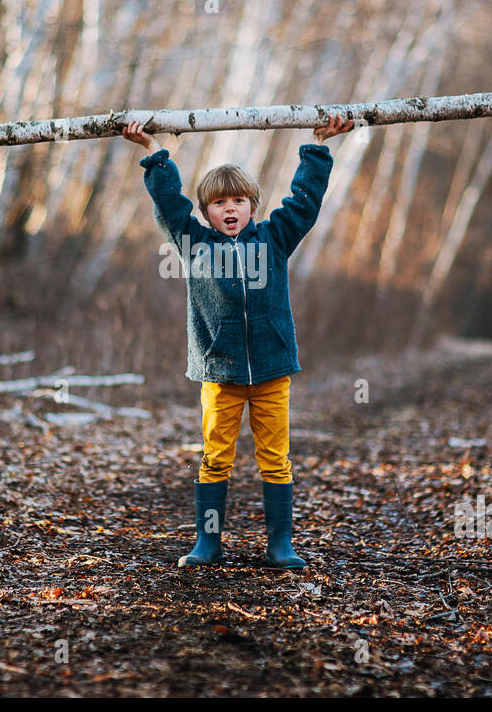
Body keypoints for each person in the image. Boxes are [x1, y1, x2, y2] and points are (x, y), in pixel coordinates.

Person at [124, 111, 352, 568]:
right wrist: (153, 154)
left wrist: (320, 146)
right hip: (218, 373)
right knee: (214, 458)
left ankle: (280, 545)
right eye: (219, 203)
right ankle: (208, 544)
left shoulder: (274, 240)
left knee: (275, 459)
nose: (230, 209)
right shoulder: (194, 244)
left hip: (271, 370)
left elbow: (305, 203)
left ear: (254, 206)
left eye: (240, 201)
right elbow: (170, 206)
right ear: (206, 211)